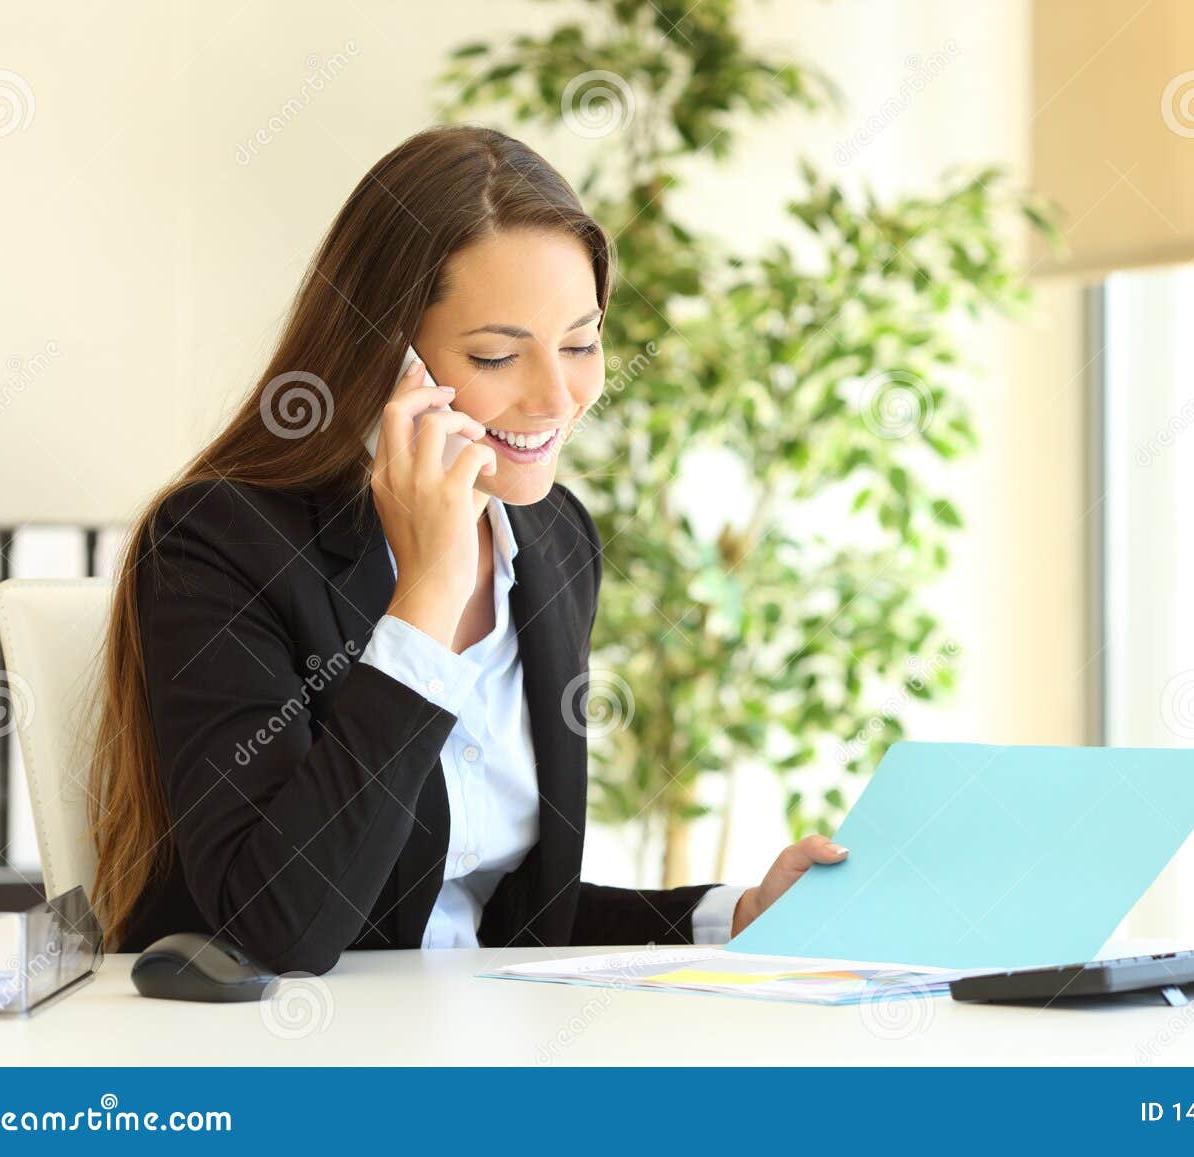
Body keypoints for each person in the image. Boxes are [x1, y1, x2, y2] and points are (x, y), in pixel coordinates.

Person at [87, 125, 847, 973]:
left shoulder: (553, 539)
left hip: (466, 1031)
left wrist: (732, 915)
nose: (557, 397)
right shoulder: (220, 542)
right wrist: (428, 592)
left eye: (581, 343)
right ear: (388, 357)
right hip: (266, 1039)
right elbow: (276, 926)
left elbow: (503, 913)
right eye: (496, 355)